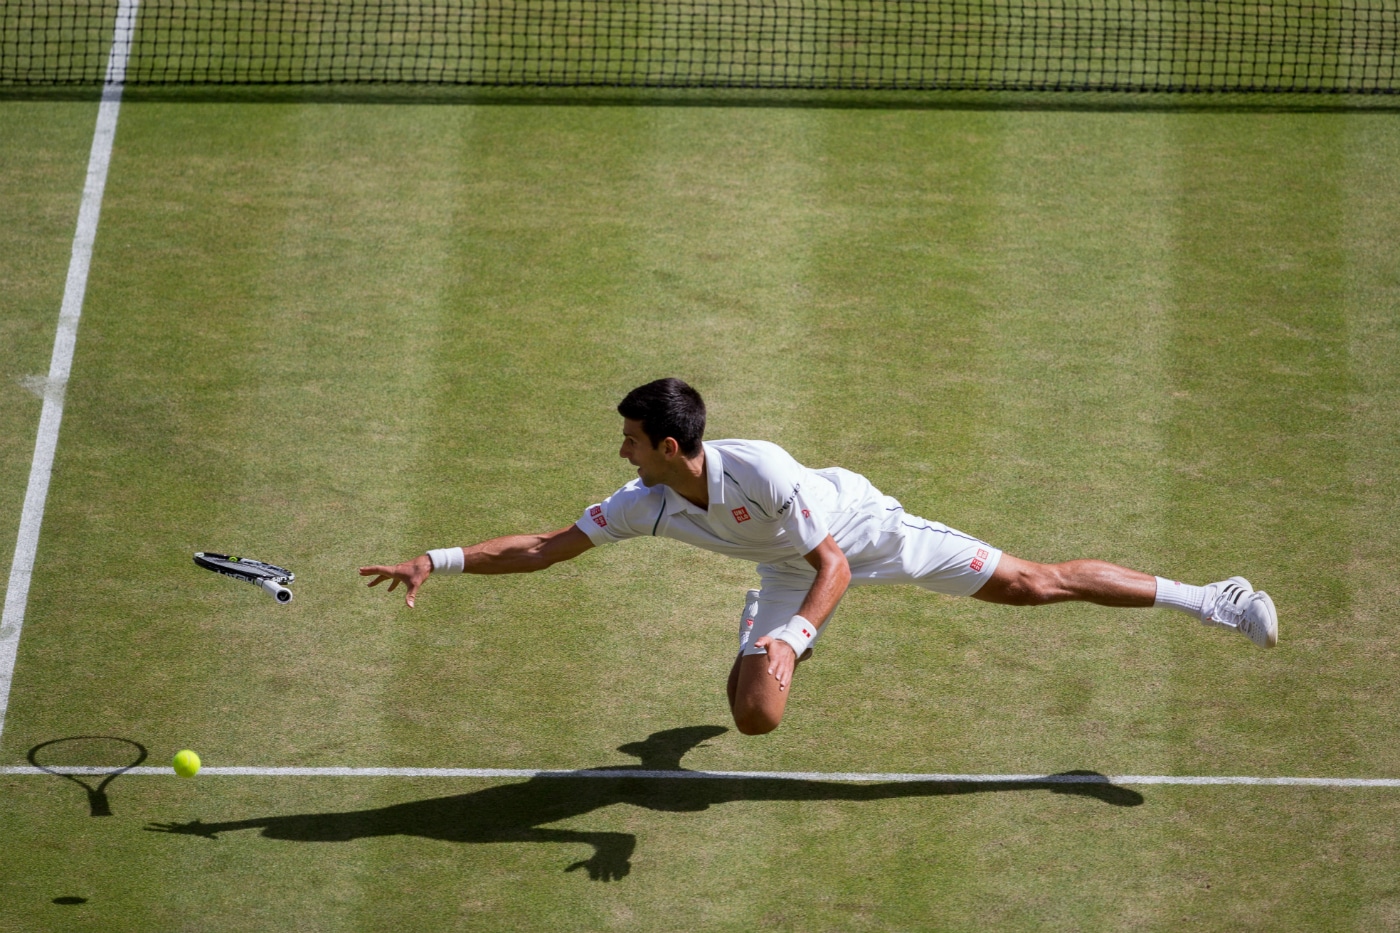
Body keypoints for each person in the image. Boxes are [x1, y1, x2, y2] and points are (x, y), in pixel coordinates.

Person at [360, 378, 1277, 736]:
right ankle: (766, 646)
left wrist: (796, 634)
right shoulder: (645, 504)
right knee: (754, 716)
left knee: (1034, 583)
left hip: (862, 534)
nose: (623, 453)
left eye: (633, 440)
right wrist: (436, 561)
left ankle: (1212, 598)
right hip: (788, 566)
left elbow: (833, 564)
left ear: (675, 447)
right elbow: (545, 547)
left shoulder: (765, 473)